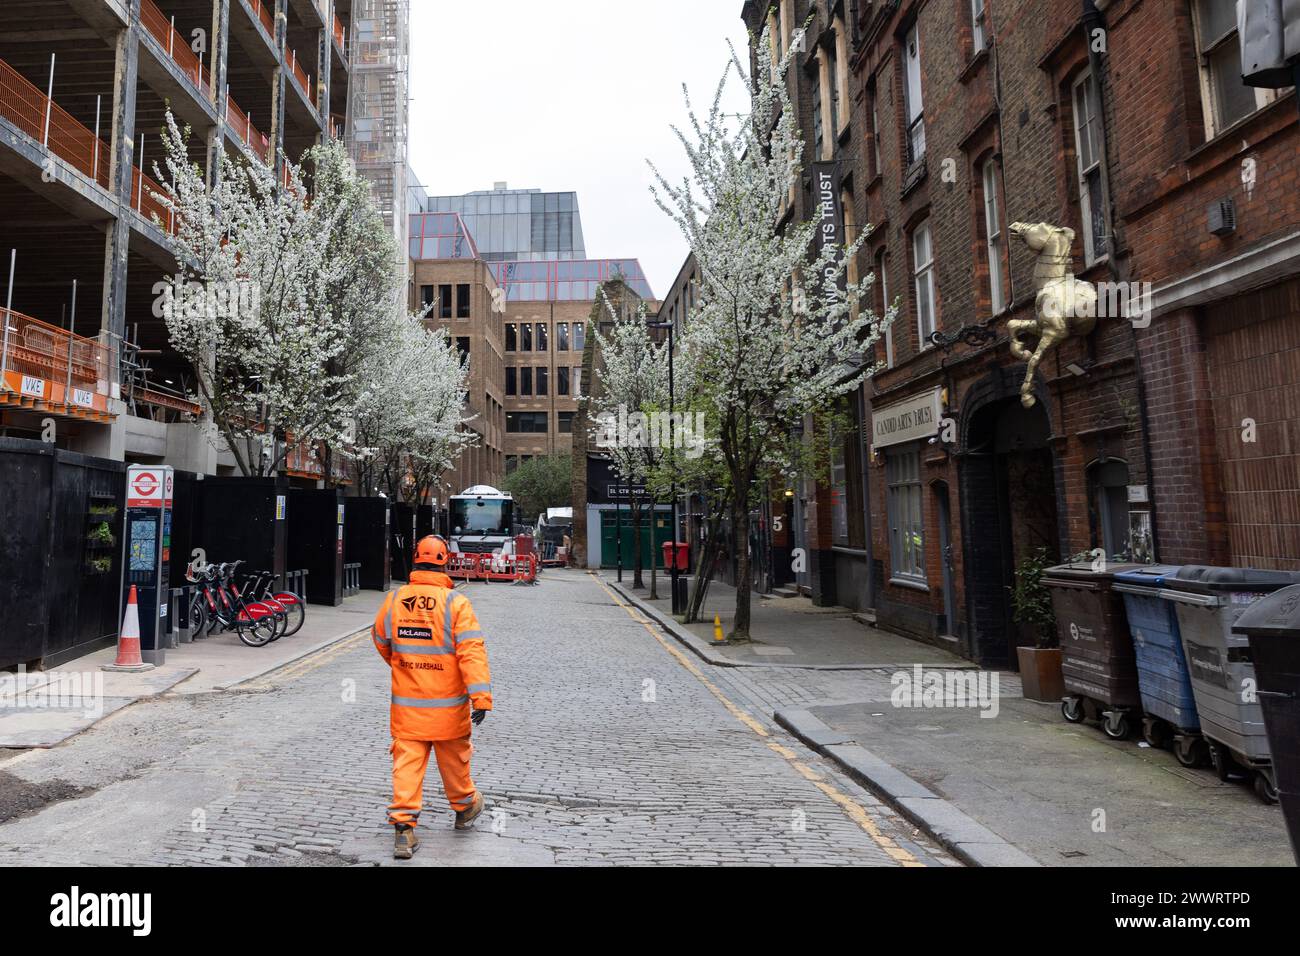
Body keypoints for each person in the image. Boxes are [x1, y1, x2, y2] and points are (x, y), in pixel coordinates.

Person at [371, 535, 493, 859]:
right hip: (449, 709)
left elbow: (381, 640)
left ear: (415, 561)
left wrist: (404, 665)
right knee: (455, 763)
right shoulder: (456, 604)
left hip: (407, 709)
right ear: (444, 562)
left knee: (407, 766)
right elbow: (471, 652)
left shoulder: (396, 599)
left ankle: (404, 829)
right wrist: (480, 697)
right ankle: (465, 807)